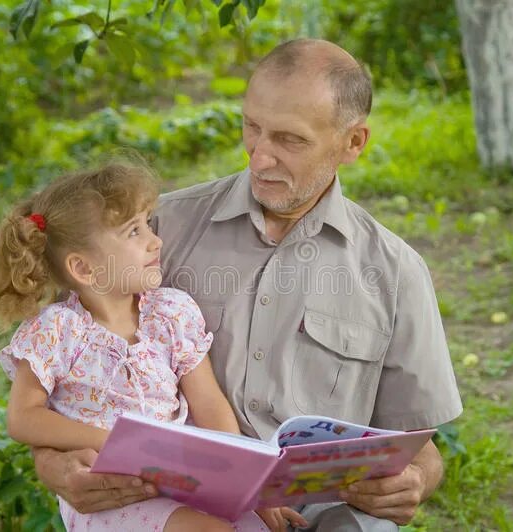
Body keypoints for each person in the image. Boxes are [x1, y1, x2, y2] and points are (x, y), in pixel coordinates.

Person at [32, 39, 463, 531]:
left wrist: (415, 481)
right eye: (251, 128)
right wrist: (55, 466)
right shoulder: (156, 232)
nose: (259, 158)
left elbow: (419, 447)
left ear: (353, 142)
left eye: (290, 140)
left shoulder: (396, 272)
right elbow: (59, 382)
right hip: (183, 507)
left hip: (326, 516)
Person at [0, 163, 306, 531]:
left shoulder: (170, 312)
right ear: (84, 269)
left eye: (147, 225)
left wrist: (246, 484)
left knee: (259, 526)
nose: (155, 241)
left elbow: (209, 404)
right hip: (114, 493)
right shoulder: (56, 330)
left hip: (183, 479)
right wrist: (112, 443)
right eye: (133, 232)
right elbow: (23, 418)